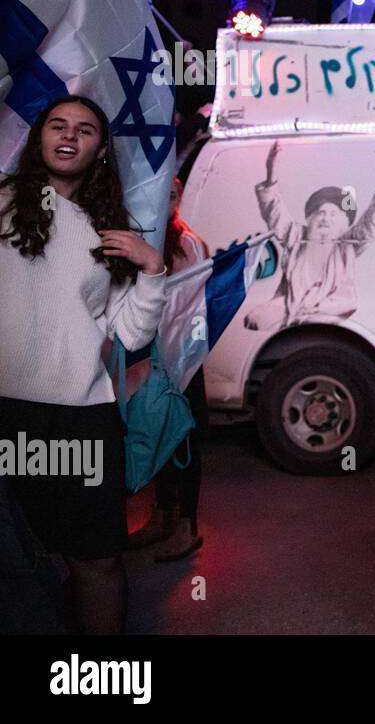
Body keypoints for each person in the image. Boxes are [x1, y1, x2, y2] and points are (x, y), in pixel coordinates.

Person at [0, 96, 167, 634]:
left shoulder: (109, 233)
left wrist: (153, 269)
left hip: (81, 419)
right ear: (38, 137)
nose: (69, 136)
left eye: (86, 129)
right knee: (12, 567)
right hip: (5, 416)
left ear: (100, 149)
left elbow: (131, 335)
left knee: (95, 562)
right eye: (57, 124)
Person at [126, 174, 211, 561]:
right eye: (163, 194)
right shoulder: (143, 238)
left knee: (184, 439)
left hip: (182, 358)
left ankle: (186, 524)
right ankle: (162, 515)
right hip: (151, 356)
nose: (168, 200)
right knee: (156, 430)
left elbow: (187, 305)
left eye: (174, 194)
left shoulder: (187, 241)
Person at [243, 137, 375, 330]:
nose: (326, 218)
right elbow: (274, 212)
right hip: (292, 303)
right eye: (321, 213)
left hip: (331, 306)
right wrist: (271, 170)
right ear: (310, 219)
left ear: (344, 224)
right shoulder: (296, 236)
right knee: (256, 317)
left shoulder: (348, 244)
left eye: (333, 214)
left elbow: (373, 219)